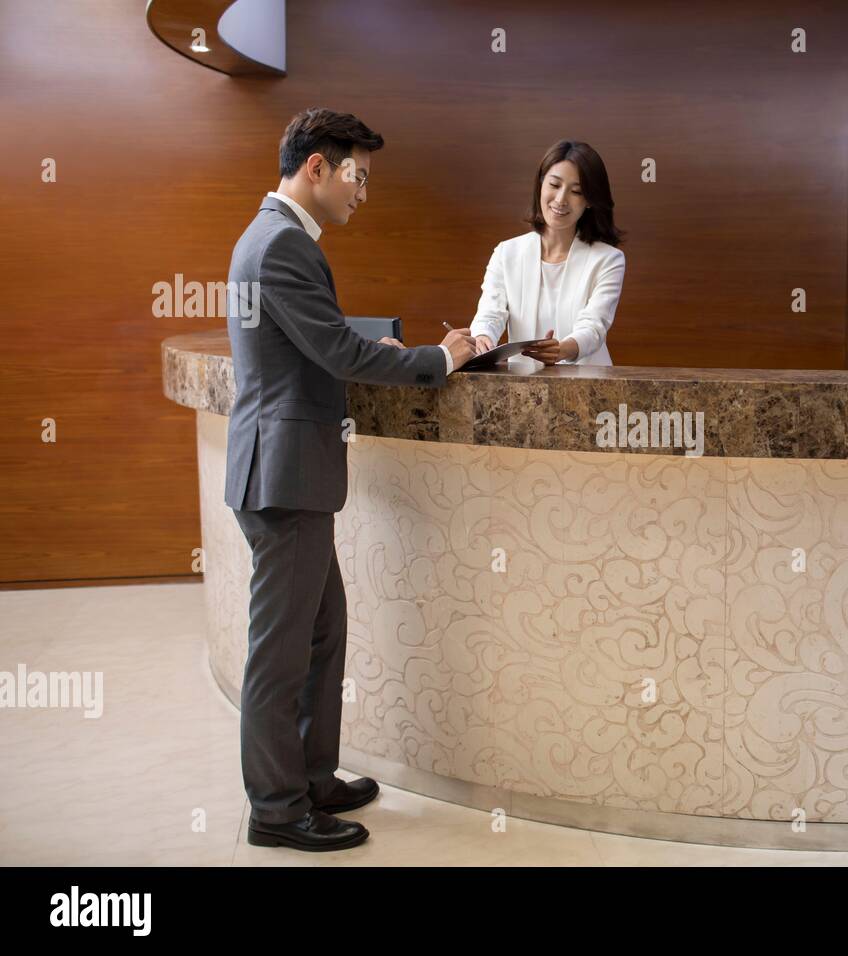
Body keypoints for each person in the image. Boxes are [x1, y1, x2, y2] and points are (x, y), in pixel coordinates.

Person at [223, 108, 475, 852]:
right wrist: (440, 359)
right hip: (285, 476)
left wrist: (366, 343)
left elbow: (309, 342)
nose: (363, 192)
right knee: (280, 652)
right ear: (317, 169)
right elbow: (335, 352)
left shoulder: (273, 238)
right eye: (358, 176)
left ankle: (309, 776)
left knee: (321, 631)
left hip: (289, 474)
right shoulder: (280, 246)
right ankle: (275, 809)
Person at [469, 140, 626, 365]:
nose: (561, 199)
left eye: (576, 191)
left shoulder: (608, 259)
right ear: (540, 185)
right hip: (523, 387)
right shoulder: (507, 253)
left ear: (590, 201)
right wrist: (482, 336)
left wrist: (562, 350)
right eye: (554, 185)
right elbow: (490, 312)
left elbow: (594, 327)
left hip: (590, 387)